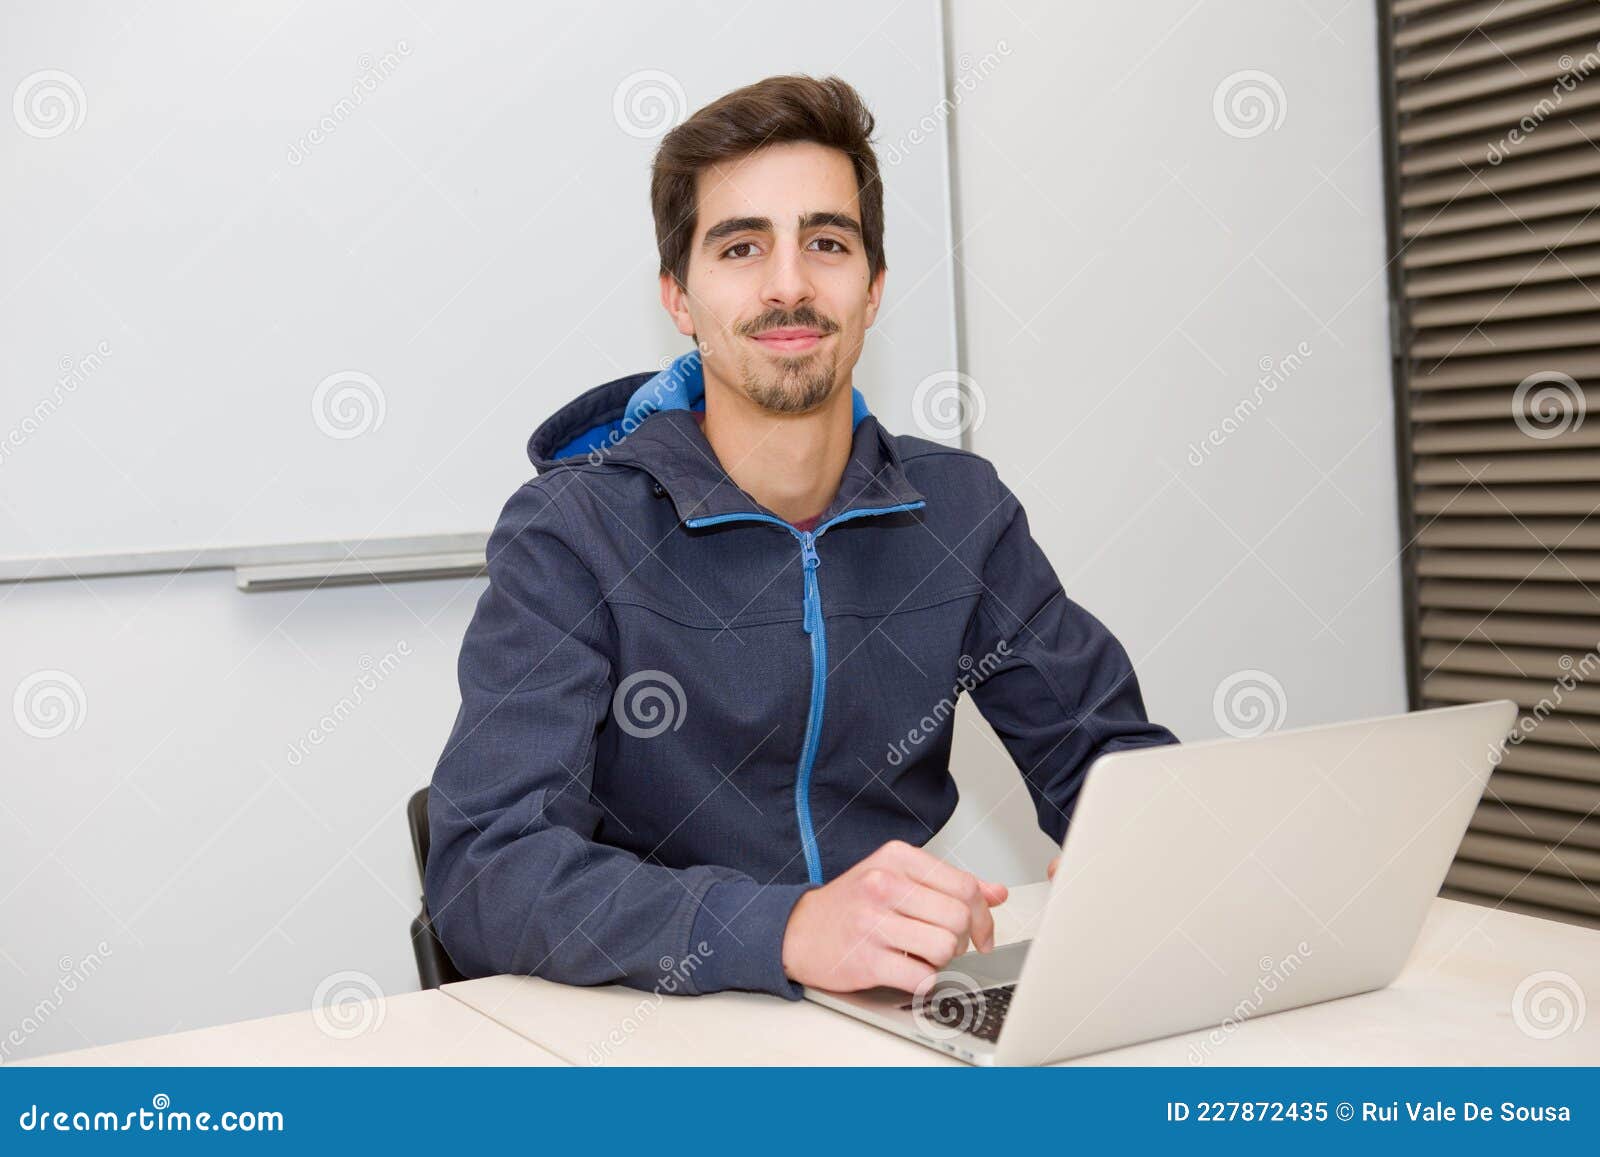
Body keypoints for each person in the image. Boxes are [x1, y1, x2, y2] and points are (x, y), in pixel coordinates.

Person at [425, 74, 1177, 1002]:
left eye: (827, 242)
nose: (789, 284)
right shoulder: (573, 532)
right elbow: (488, 871)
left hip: (894, 1016)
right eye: (741, 247)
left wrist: (1148, 853)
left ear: (873, 289)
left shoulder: (959, 511)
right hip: (658, 1035)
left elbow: (1105, 754)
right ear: (679, 299)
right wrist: (781, 928)